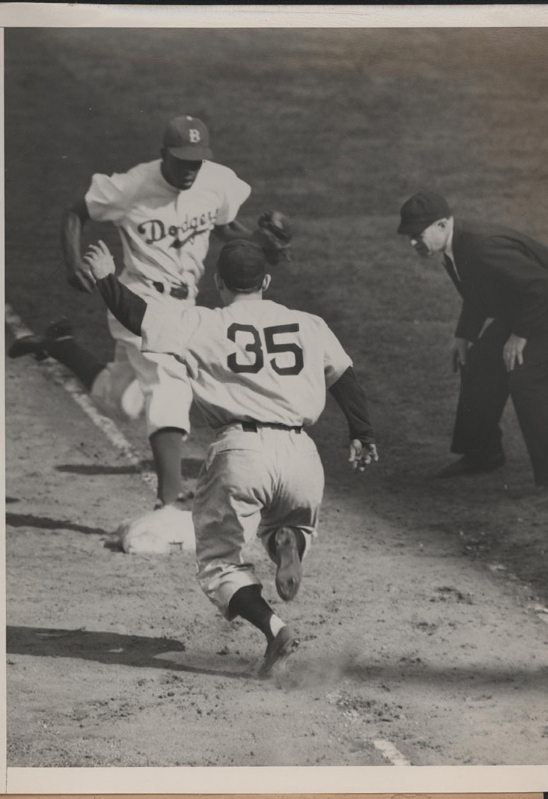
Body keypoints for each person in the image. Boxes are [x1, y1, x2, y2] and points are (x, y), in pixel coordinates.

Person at [82, 237, 378, 677]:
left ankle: (274, 627)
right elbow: (344, 376)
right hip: (301, 454)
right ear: (267, 280)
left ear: (218, 281)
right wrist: (362, 432)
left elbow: (137, 315)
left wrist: (107, 277)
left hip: (241, 451)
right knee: (291, 520)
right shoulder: (309, 323)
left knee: (219, 564)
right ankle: (288, 543)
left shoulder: (202, 322)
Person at [9, 115, 291, 514]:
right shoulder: (133, 186)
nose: (190, 169)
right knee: (169, 382)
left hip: (184, 302)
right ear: (163, 156)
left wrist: (259, 243)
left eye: (197, 160)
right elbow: (76, 211)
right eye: (182, 161)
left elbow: (225, 228)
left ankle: (61, 345)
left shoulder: (217, 181)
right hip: (136, 297)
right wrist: (72, 263)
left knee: (120, 404)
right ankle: (170, 500)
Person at [397, 191, 548, 506]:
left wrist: (520, 334)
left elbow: (544, 286)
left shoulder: (480, 246)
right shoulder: (454, 246)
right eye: (409, 236)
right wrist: (464, 335)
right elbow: (478, 291)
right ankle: (482, 453)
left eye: (418, 234)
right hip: (526, 307)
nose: (412, 242)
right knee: (479, 364)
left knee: (527, 379)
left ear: (443, 224)